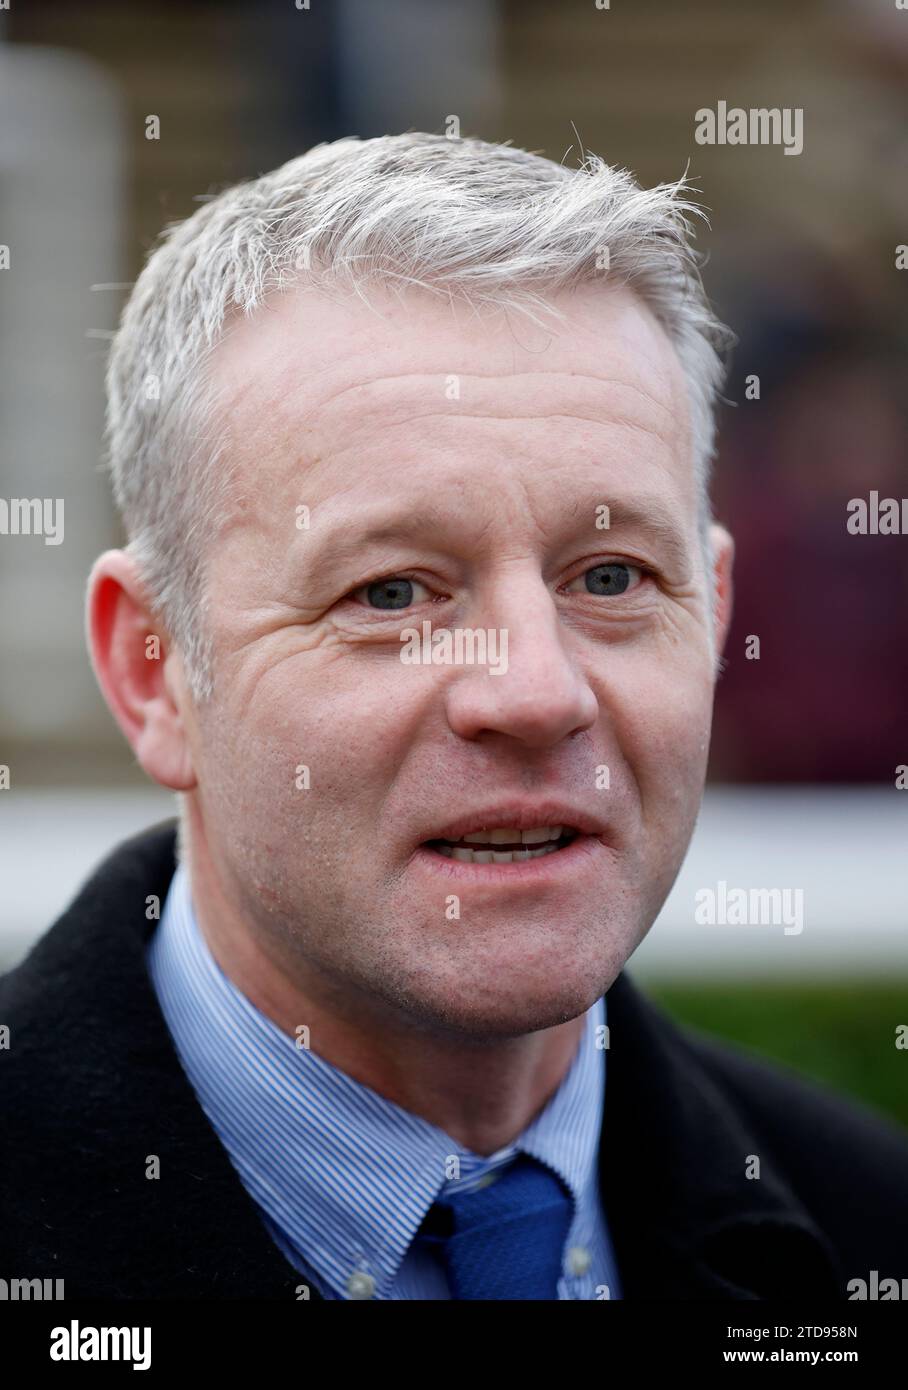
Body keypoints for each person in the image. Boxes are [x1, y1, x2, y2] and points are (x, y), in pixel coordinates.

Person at [1, 133, 905, 1300]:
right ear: (153, 671)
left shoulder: (868, 1233)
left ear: (714, 612)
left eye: (611, 577)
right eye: (390, 593)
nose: (534, 691)